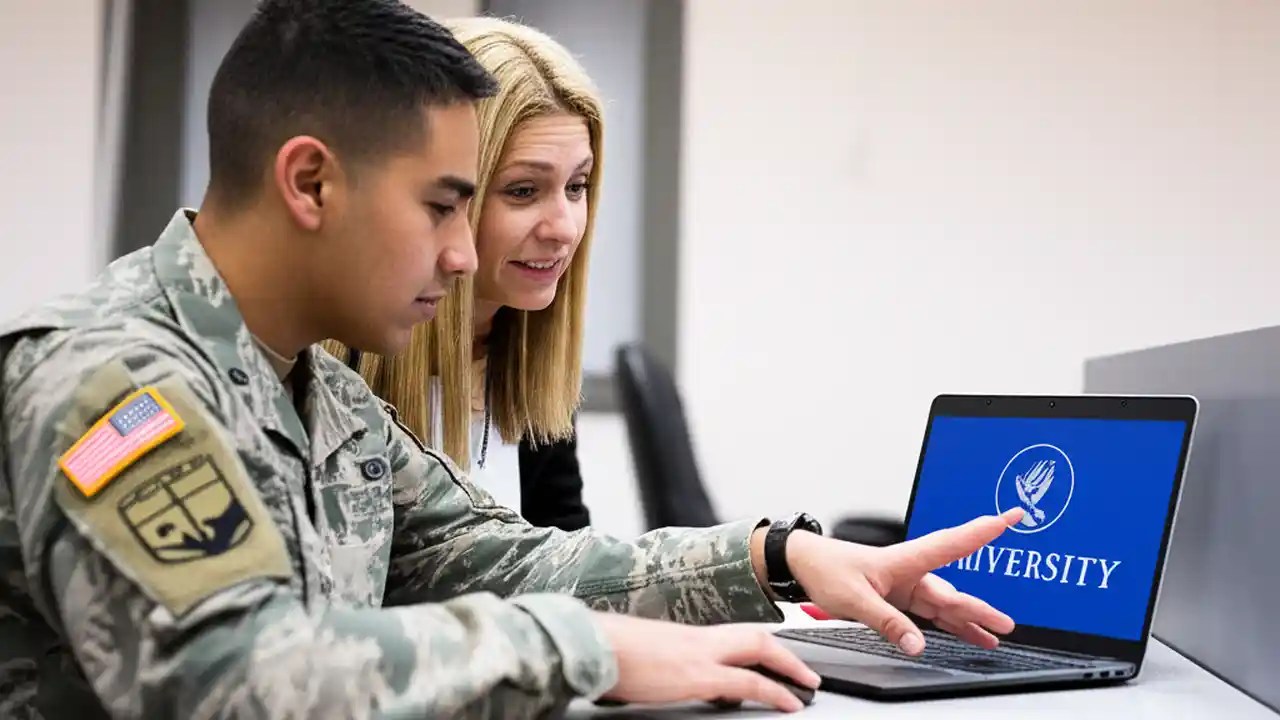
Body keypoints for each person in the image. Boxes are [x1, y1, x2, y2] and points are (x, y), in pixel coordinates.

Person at [0, 1, 1023, 718]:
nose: (463, 253)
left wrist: (776, 557)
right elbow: (222, 673)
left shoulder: (323, 394)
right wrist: (586, 651)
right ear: (311, 183)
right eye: (448, 203)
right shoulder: (115, 380)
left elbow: (512, 557)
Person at [323, 16, 602, 531]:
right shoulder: (331, 368)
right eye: (522, 191)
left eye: (577, 186)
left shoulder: (527, 356)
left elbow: (567, 562)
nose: (564, 228)